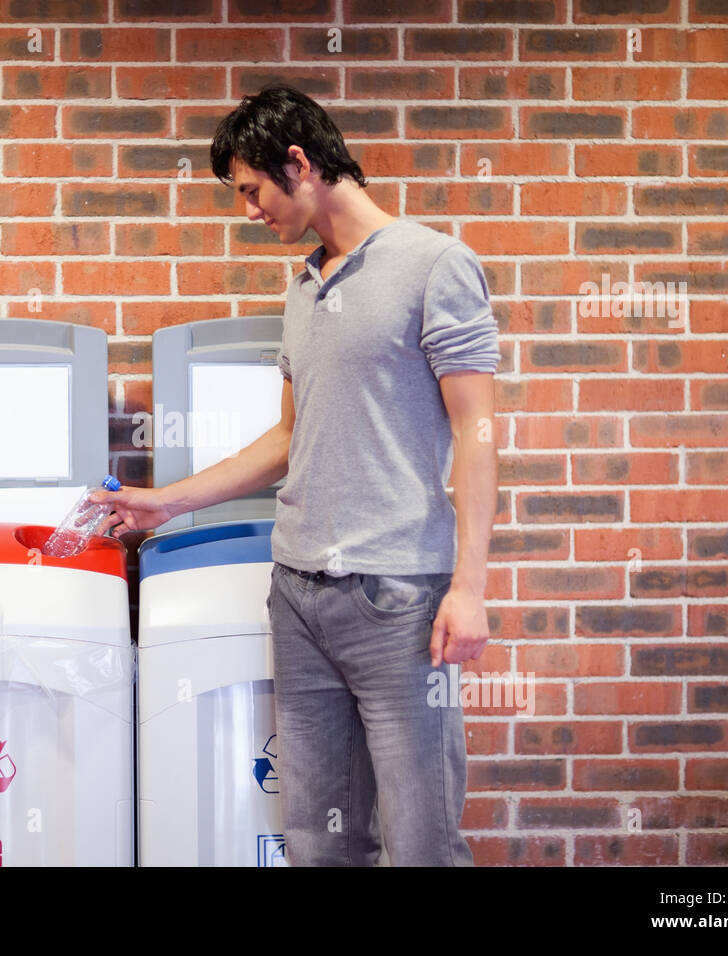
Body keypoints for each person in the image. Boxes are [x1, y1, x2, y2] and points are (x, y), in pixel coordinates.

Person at [91, 86, 499, 866]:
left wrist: (470, 586)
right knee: (316, 843)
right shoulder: (305, 285)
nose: (247, 210)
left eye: (250, 189)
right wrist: (161, 505)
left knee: (421, 845)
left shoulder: (435, 265)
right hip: (300, 596)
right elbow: (289, 437)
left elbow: (476, 434)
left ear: (299, 163)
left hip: (398, 600)